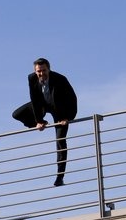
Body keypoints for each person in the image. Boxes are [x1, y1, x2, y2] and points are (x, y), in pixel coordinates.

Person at [12, 58, 78, 187]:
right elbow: (34, 99)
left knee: (60, 141)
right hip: (42, 105)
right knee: (16, 114)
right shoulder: (31, 78)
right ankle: (40, 123)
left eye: (43, 70)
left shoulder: (60, 79)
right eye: (38, 71)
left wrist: (68, 118)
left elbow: (72, 99)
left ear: (49, 69)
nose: (41, 74)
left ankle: (60, 177)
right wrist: (39, 121)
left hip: (60, 110)